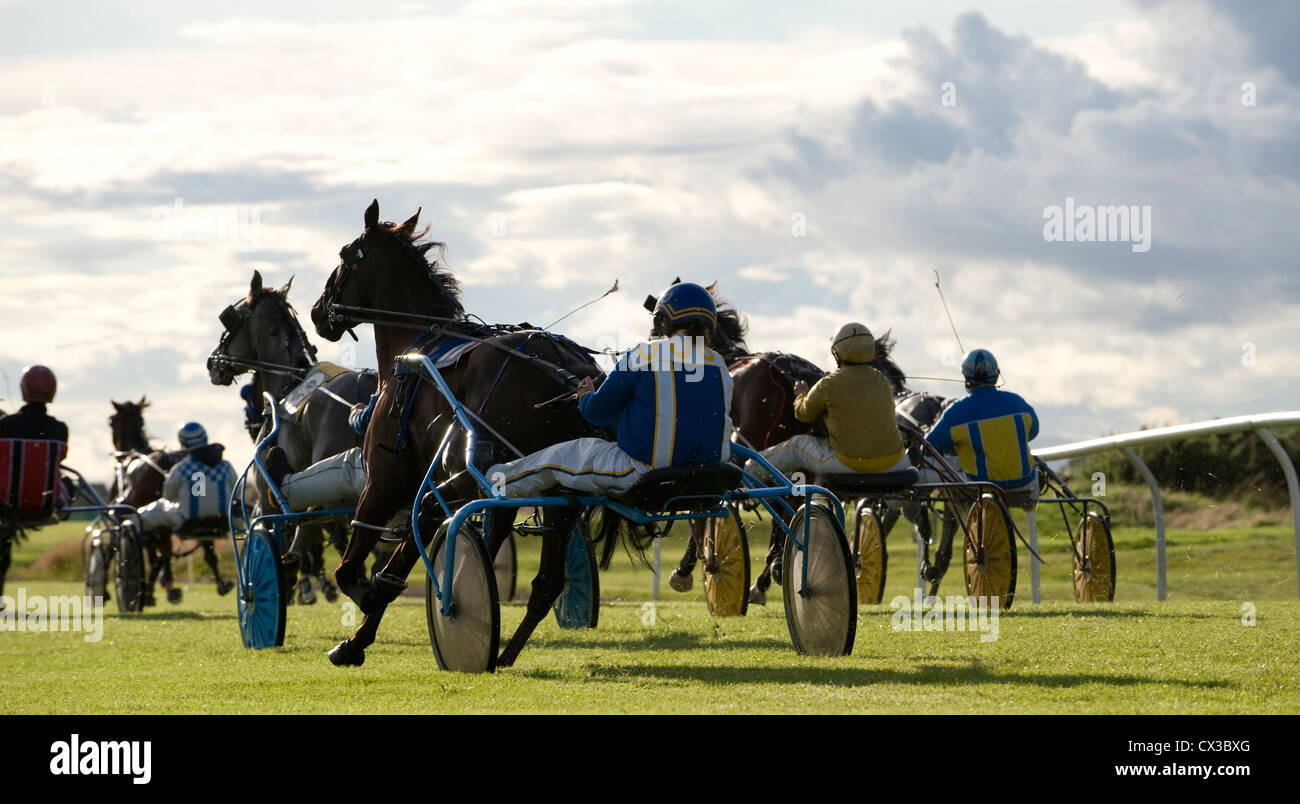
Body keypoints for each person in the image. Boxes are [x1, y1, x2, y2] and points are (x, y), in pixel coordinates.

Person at [485, 281, 734, 497]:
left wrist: (585, 397)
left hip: (643, 473)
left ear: (661, 321)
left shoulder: (644, 355)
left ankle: (493, 483)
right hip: (708, 477)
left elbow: (598, 414)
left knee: (560, 457)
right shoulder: (720, 365)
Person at [744, 323, 908, 482]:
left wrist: (802, 394)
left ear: (837, 353)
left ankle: (748, 476)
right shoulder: (883, 381)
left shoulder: (828, 383)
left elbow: (803, 414)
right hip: (895, 463)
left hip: (848, 464)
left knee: (795, 446)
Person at [925, 348, 1040, 506]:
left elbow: (930, 446)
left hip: (979, 487)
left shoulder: (957, 411)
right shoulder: (1018, 402)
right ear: (997, 373)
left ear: (966, 377)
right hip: (1025, 484)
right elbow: (1032, 433)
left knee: (924, 472)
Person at [137, 422, 237, 595]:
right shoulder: (226, 466)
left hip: (186, 520)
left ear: (183, 443)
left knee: (143, 515)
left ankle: (130, 526)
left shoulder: (182, 468)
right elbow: (235, 487)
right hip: (221, 520)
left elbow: (168, 496)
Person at [1, 365, 70, 604]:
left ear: (23, 390)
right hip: (45, 502)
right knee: (69, 481)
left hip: (5, 502)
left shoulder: (5, 425)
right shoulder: (60, 429)